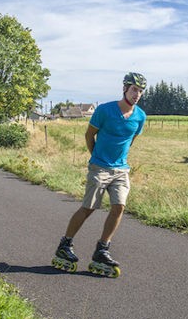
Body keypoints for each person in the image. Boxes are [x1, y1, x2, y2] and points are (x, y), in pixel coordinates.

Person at [51, 72, 147, 277]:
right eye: (134, 90)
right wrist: (96, 157)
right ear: (125, 89)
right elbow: (89, 134)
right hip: (99, 167)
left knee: (119, 207)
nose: (137, 94)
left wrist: (119, 161)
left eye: (140, 91)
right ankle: (65, 245)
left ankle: (102, 249)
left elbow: (130, 141)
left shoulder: (140, 116)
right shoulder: (104, 110)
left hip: (121, 169)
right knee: (89, 207)